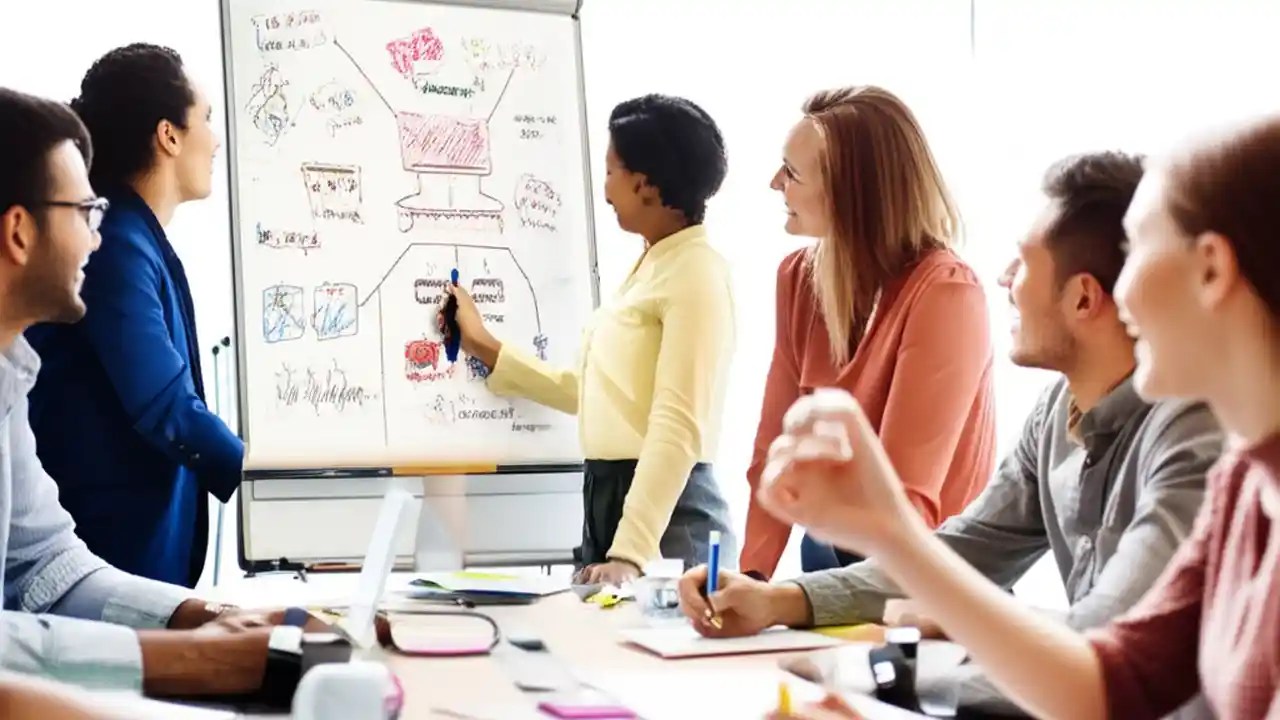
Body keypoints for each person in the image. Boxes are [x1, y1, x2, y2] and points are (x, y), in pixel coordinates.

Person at [747, 114, 1280, 720]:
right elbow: (1106, 681)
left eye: (1141, 250)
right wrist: (869, 546)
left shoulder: (1205, 451)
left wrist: (896, 559)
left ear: (1211, 269)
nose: (1119, 290)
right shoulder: (1243, 483)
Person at [0, 85, 324, 698]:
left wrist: (213, 620)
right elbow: (165, 403)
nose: (96, 236)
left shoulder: (9, 378)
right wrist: (202, 659)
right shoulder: (126, 239)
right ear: (19, 231)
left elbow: (45, 567)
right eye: (84, 213)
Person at [444, 93, 735, 586]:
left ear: (644, 184)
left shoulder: (696, 273)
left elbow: (678, 427)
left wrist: (631, 554)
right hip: (610, 501)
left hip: (663, 517)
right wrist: (484, 346)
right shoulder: (653, 265)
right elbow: (588, 389)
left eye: (609, 171)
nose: (604, 189)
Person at [742, 85, 996, 577]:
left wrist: (782, 602)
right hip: (833, 557)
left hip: (932, 577)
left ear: (851, 193)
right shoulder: (797, 278)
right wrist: (748, 579)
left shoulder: (946, 292)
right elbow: (771, 453)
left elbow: (906, 504)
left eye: (792, 173)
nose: (775, 183)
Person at [25, 44, 243, 587]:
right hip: (103, 563)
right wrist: (267, 480)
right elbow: (165, 405)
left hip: (125, 558)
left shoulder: (133, 236)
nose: (215, 139)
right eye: (208, 119)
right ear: (169, 134)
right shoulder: (116, 243)